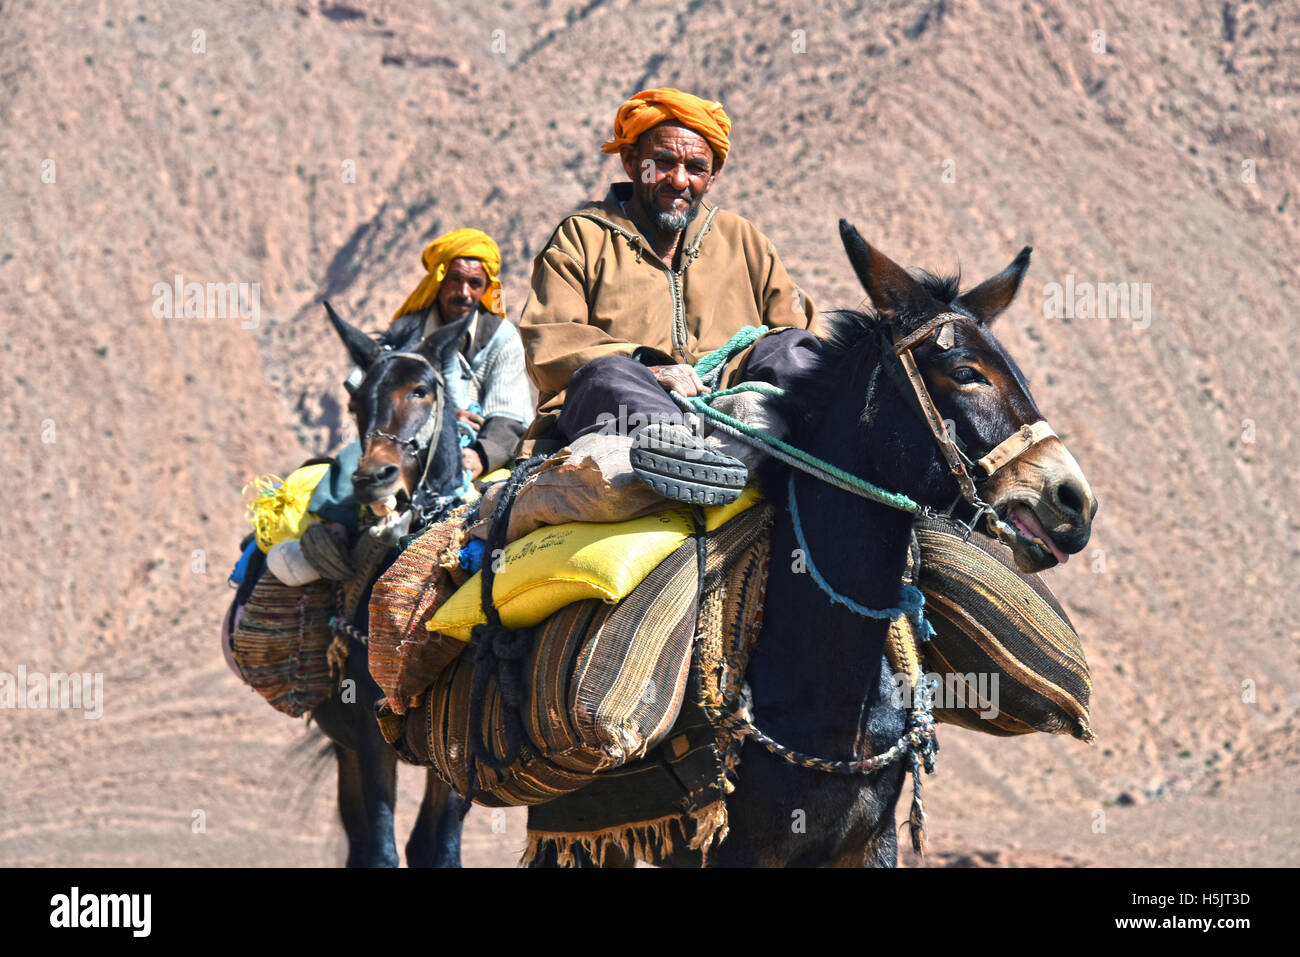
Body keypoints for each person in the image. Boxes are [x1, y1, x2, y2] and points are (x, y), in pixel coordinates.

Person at [518, 88, 821, 503]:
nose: (679, 180)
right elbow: (549, 342)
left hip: (727, 404)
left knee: (793, 350)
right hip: (618, 410)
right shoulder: (582, 237)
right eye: (662, 163)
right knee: (607, 373)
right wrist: (651, 369)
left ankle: (744, 445)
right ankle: (684, 456)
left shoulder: (744, 240)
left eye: (696, 168)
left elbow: (795, 332)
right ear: (630, 161)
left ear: (711, 176)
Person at [385, 228, 533, 479]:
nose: (464, 292)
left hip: (486, 456)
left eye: (474, 283)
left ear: (486, 287)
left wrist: (478, 457)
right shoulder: (406, 334)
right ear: (439, 280)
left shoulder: (504, 339)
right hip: (412, 451)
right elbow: (387, 404)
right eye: (456, 279)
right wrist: (443, 420)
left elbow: (507, 416)